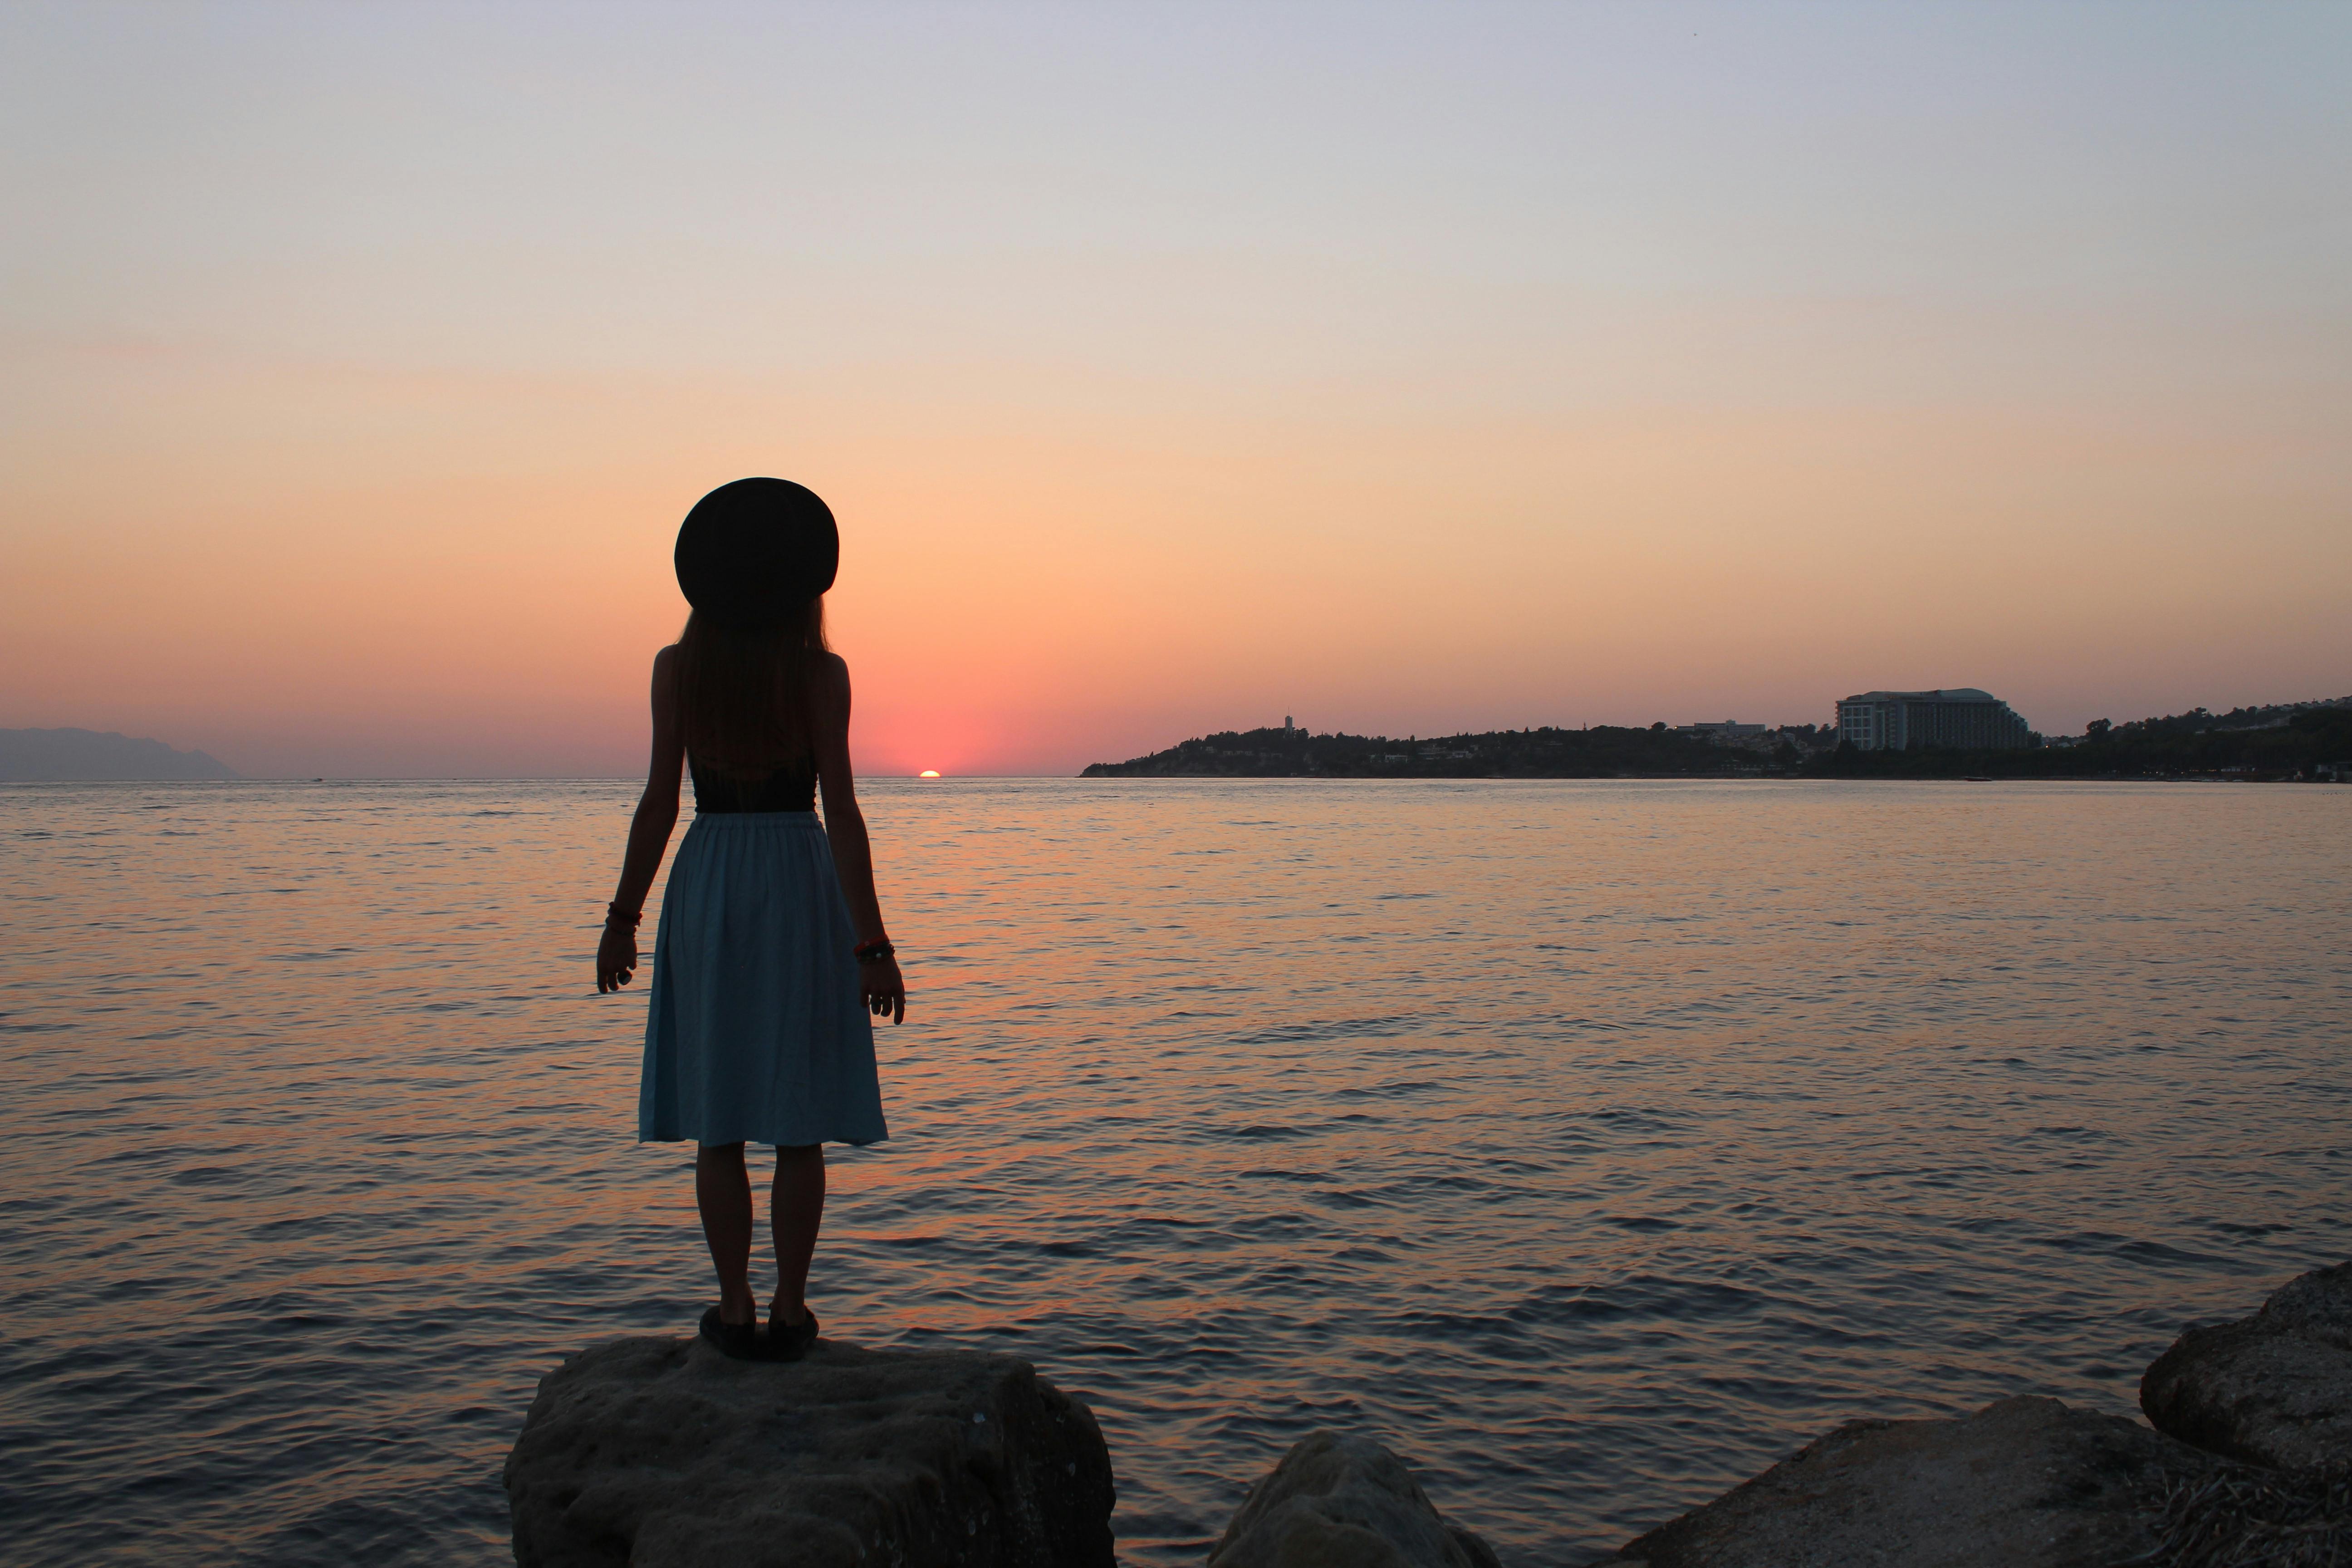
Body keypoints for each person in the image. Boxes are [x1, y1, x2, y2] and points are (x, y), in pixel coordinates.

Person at [594, 478, 904, 1362]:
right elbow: (841, 811)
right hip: (797, 878)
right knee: (798, 1117)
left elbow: (659, 802)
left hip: (711, 874)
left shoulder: (677, 667)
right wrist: (872, 945)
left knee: (719, 1112)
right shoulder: (818, 673)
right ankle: (792, 1310)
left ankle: (733, 1309)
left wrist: (624, 919)